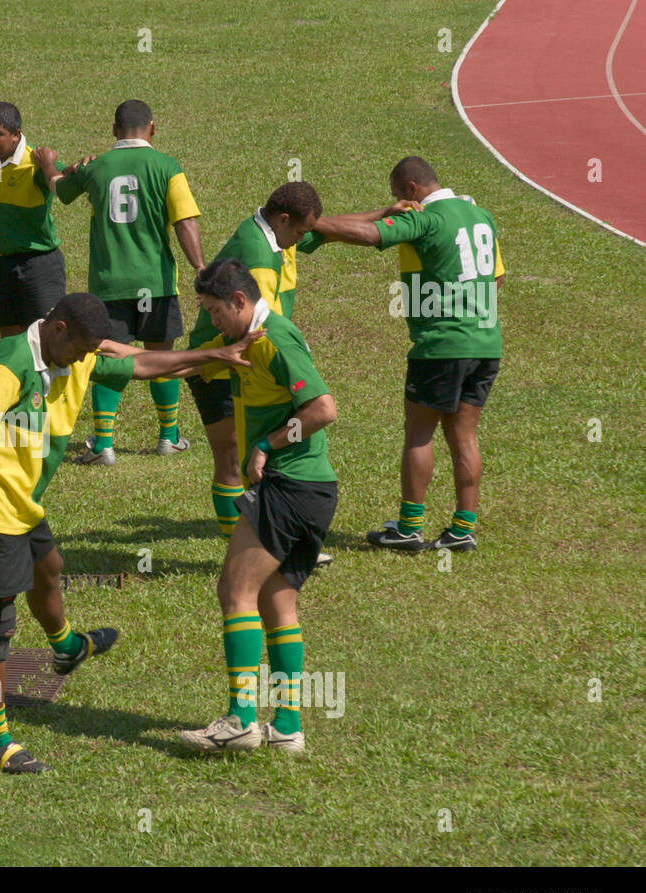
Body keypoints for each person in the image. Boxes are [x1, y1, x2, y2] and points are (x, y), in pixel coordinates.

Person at [0, 292, 260, 773]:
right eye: (82, 349)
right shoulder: (12, 362)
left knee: (49, 569)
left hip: (23, 505)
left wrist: (211, 356)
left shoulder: (77, 358)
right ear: (58, 329)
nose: (87, 359)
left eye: (93, 351)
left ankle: (67, 648)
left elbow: (144, 365)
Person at [179, 260, 338, 755]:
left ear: (240, 302)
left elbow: (322, 410)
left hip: (290, 488)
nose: (212, 322)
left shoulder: (272, 339)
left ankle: (241, 720)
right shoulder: (252, 341)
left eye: (214, 312)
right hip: (312, 490)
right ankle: (287, 727)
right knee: (276, 602)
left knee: (235, 588)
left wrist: (268, 443)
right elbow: (185, 363)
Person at [314, 156, 503, 552]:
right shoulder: (480, 215)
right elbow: (496, 277)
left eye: (399, 196)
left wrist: (310, 223)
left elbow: (369, 236)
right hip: (486, 343)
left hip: (440, 347)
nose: (400, 202)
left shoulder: (426, 219)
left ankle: (409, 528)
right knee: (464, 436)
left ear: (413, 190)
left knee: (419, 434)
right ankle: (462, 530)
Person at [34, 100, 203, 464]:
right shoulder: (167, 167)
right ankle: (168, 438)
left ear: (114, 129)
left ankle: (104, 444)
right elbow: (185, 221)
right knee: (162, 357)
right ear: (153, 128)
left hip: (110, 287)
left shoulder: (97, 167)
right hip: (155, 284)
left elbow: (60, 189)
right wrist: (200, 268)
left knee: (108, 358)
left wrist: (48, 162)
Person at [188, 181, 326, 541]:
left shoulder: (266, 234)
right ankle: (247, 545)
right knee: (234, 456)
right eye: (299, 231)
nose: (301, 239)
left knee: (249, 453)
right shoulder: (261, 266)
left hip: (236, 361)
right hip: (225, 362)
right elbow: (263, 337)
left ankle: (259, 542)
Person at [0, 102, 69, 338]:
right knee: (9, 342)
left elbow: (66, 183)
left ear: (15, 135)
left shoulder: (35, 162)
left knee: (45, 340)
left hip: (37, 265)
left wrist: (76, 168)